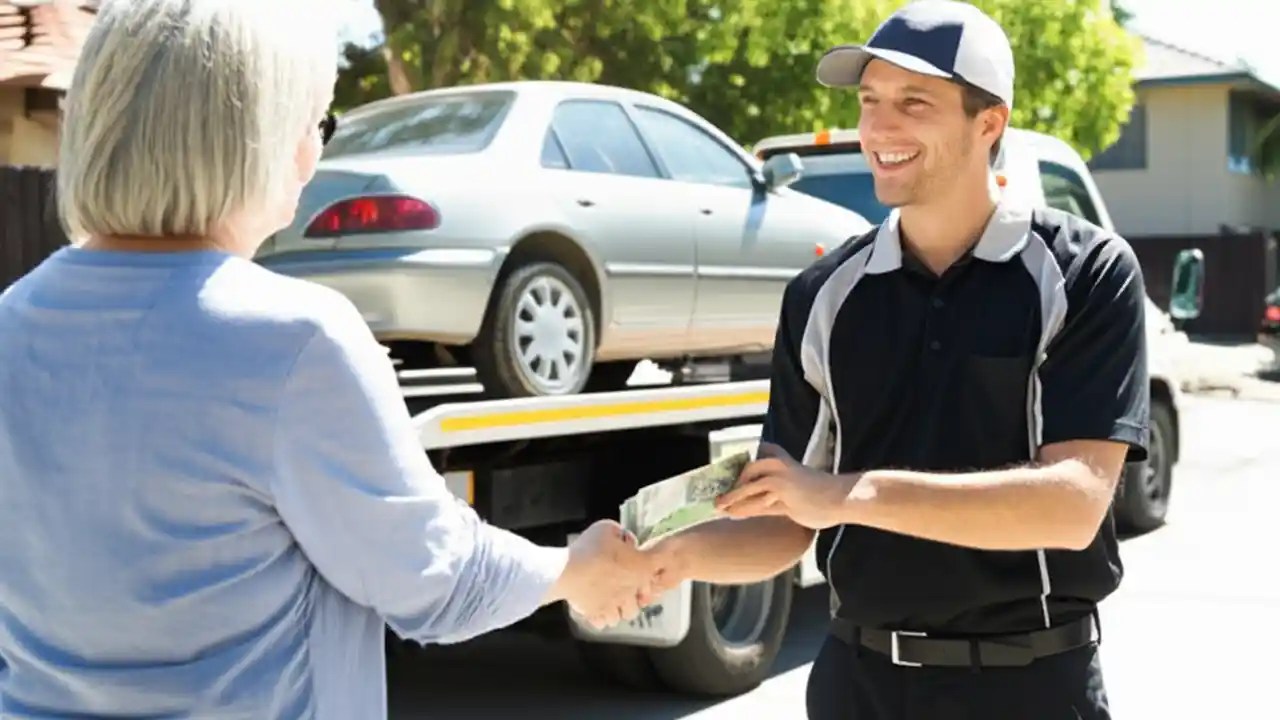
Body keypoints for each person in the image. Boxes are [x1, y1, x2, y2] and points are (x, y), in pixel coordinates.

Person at [0, 0, 660, 716]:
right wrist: (575, 568)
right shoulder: (293, 339)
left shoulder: (13, 323)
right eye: (316, 121)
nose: (318, 153)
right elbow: (434, 582)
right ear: (252, 135)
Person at [652, 2, 1148, 718]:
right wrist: (672, 557)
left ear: (989, 123)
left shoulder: (1087, 272)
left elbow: (1071, 506)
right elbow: (787, 518)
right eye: (869, 101)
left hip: (1030, 686)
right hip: (857, 685)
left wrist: (841, 495)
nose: (879, 129)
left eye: (914, 102)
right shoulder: (822, 295)